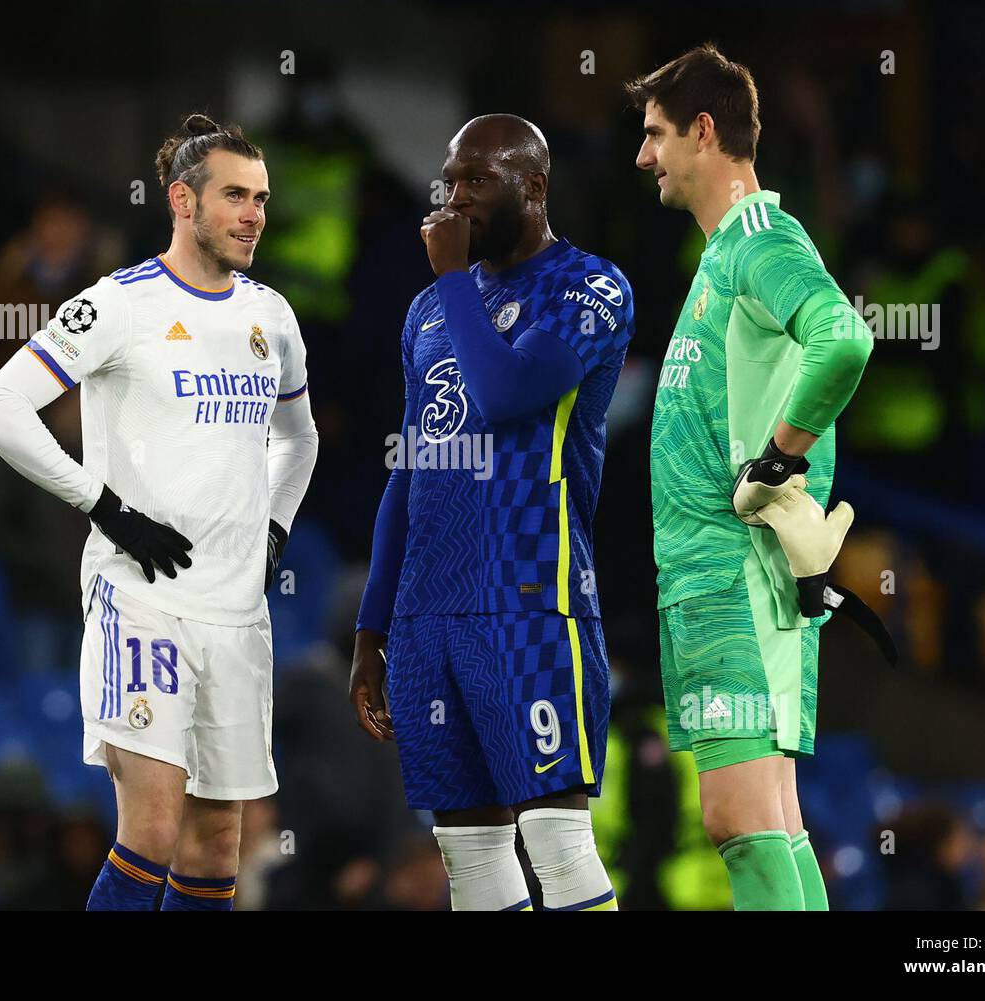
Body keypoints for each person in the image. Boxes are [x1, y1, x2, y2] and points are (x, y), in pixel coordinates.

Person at [0, 114, 318, 910]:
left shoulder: (272, 317)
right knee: (152, 830)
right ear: (182, 201)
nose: (254, 214)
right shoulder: (119, 304)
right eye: (235, 194)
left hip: (238, 615)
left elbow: (299, 440)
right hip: (142, 600)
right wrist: (106, 508)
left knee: (214, 844)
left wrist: (273, 530)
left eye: (261, 198)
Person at [352, 114, 634, 911]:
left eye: (477, 180)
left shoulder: (589, 287)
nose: (456, 197)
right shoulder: (427, 315)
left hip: (529, 601)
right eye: (449, 180)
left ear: (533, 187)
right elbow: (411, 471)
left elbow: (509, 393)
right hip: (427, 616)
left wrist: (448, 278)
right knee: (472, 862)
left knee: (559, 847)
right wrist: (374, 627)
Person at [629, 45, 874, 910]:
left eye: (656, 134)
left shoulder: (759, 239)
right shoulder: (722, 255)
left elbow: (845, 337)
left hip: (738, 573)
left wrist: (782, 455)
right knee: (773, 820)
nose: (642, 155)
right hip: (719, 577)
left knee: (741, 821)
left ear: (705, 132)